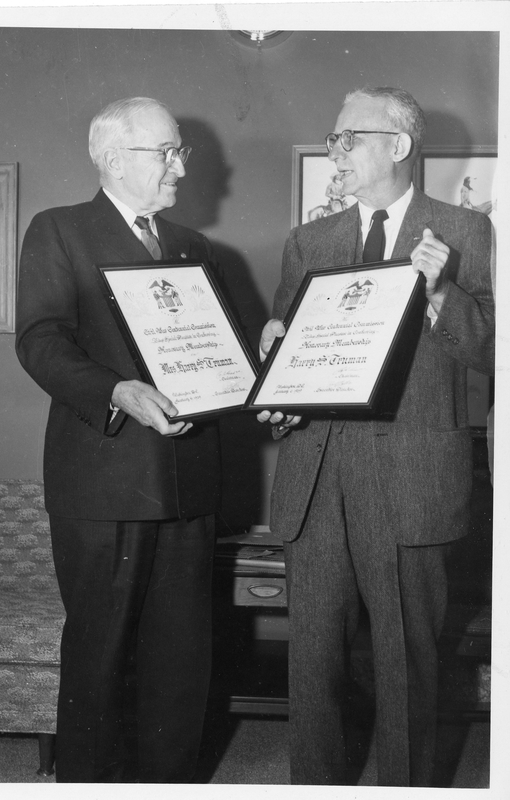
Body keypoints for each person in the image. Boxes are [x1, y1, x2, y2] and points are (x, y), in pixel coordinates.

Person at [257, 87, 495, 786]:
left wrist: (442, 294)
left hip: (412, 475)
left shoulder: (463, 232)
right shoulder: (309, 241)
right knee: (314, 666)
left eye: (348, 138)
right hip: (317, 474)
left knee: (407, 665)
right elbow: (288, 353)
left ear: (397, 145)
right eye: (333, 140)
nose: (337, 152)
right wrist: (277, 385)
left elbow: (486, 347)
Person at [16, 97, 222, 783]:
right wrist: (115, 391)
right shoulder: (60, 231)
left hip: (186, 485)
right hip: (103, 484)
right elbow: (41, 340)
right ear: (112, 160)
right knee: (100, 661)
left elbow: (218, 355)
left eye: (180, 152)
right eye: (165, 153)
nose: (180, 167)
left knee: (181, 662)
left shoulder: (194, 248)